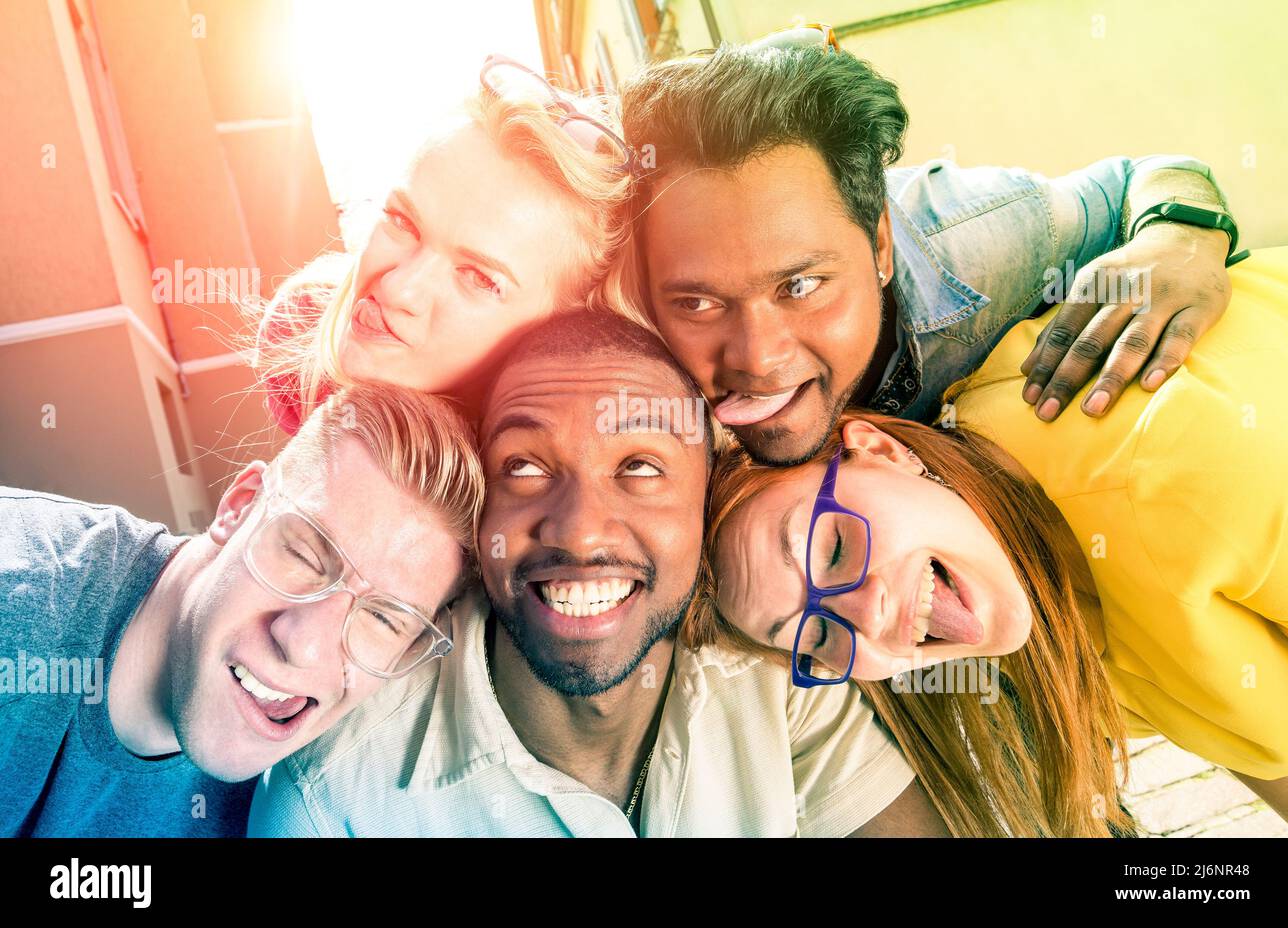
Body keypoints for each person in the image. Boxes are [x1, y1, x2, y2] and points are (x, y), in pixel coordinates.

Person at [248, 312, 946, 837]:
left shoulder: (782, 670)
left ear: (707, 499)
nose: (580, 529)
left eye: (641, 468)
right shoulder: (330, 799)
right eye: (522, 467)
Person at [696, 246, 1288, 834]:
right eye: (818, 637)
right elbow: (1251, 726)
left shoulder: (1176, 474)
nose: (868, 617)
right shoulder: (1029, 589)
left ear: (881, 452)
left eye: (831, 550)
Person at [613, 34, 1239, 465]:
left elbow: (1145, 175)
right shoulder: (622, 349)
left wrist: (1177, 236)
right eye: (696, 302)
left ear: (880, 244)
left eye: (799, 287)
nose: (756, 357)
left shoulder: (982, 238)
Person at [0, 384, 483, 836]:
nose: (306, 646)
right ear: (240, 506)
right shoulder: (19, 600)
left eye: (384, 618)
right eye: (305, 556)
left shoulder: (311, 799)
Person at [254, 56, 635, 434]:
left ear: (559, 332)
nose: (398, 288)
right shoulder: (299, 335)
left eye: (480, 278)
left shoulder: (556, 468)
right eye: (402, 221)